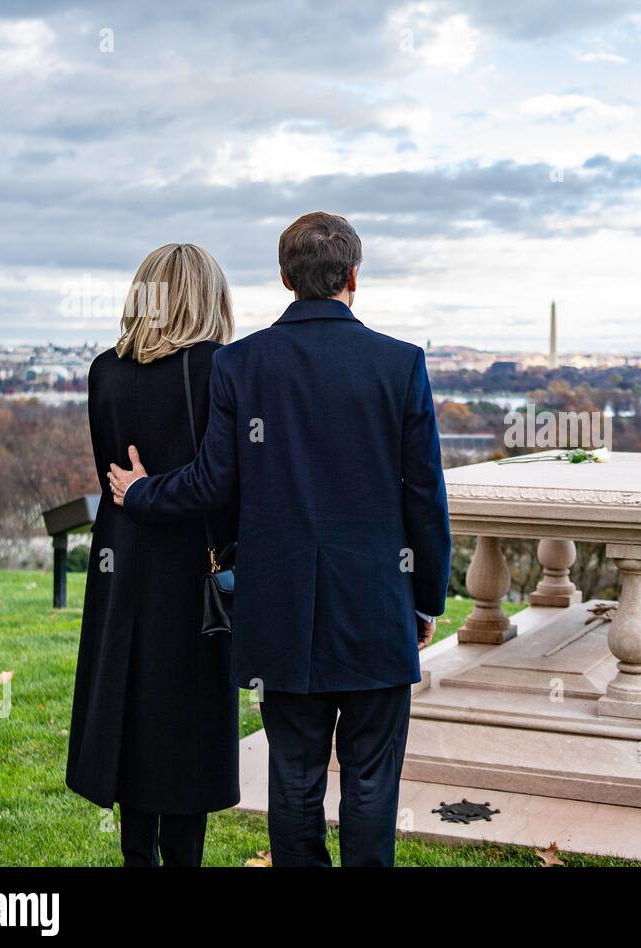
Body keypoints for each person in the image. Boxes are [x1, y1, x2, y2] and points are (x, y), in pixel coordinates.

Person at [107, 212, 452, 867]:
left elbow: (211, 483)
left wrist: (142, 491)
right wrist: (427, 598)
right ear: (354, 277)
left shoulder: (241, 364)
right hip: (377, 609)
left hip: (280, 613)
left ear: (285, 278)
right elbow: (424, 497)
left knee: (293, 784)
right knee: (372, 786)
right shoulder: (401, 365)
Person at [66, 243, 239, 866]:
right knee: (186, 736)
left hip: (121, 569)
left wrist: (142, 492)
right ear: (208, 297)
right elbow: (224, 486)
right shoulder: (221, 368)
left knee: (131, 722)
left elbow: (111, 480)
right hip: (193, 574)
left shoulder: (103, 371)